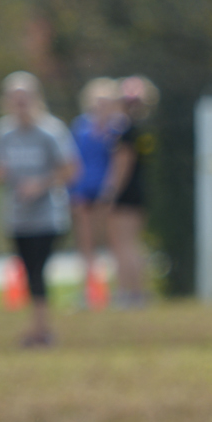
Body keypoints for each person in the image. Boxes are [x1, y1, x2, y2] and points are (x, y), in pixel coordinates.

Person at [0, 73, 79, 347]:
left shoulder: (51, 131)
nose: (20, 104)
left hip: (47, 215)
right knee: (27, 272)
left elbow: (70, 169)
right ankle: (38, 327)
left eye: (25, 99)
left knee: (38, 271)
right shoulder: (1, 133)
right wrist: (0, 174)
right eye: (15, 99)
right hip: (17, 216)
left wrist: (40, 185)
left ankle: (42, 330)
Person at [98, 75, 157, 306]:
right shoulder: (143, 129)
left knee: (123, 245)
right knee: (133, 243)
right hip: (138, 191)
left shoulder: (124, 130)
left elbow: (122, 164)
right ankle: (138, 291)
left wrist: (110, 192)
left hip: (125, 193)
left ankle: (127, 292)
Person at [68, 77, 124, 304]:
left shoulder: (117, 129)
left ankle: (118, 290)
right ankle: (88, 292)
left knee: (113, 242)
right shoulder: (80, 127)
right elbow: (73, 159)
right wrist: (72, 189)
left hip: (106, 192)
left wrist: (109, 190)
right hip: (83, 190)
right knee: (86, 243)